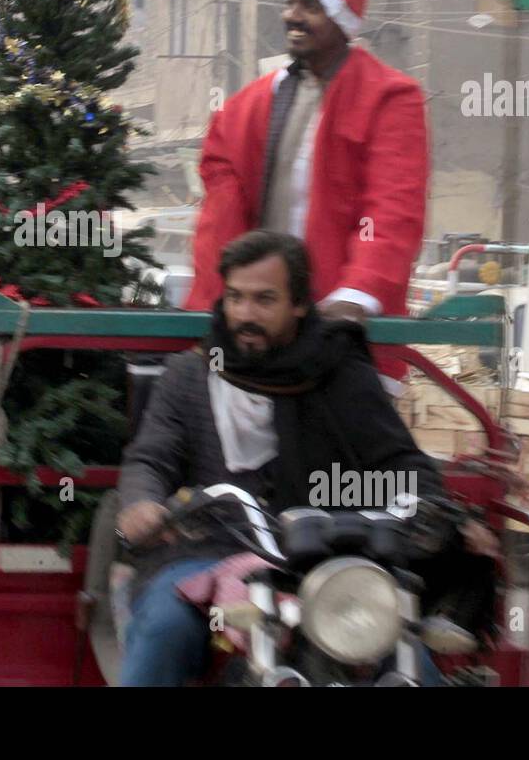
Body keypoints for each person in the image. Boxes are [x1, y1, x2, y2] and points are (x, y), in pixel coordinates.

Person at [116, 231, 494, 686]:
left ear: (298, 305)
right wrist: (142, 502)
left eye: (264, 300)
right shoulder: (192, 374)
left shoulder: (339, 374)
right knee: (164, 629)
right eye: (235, 298)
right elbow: (151, 457)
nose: (245, 314)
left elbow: (398, 463)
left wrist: (442, 510)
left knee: (408, 660)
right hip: (209, 552)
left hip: (330, 557)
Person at [186, 0, 429, 389]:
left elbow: (392, 211)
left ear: (342, 20)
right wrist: (218, 306)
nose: (292, 17)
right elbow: (218, 220)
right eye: (290, 2)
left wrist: (355, 296)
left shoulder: (390, 98)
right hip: (255, 331)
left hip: (341, 336)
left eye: (310, 7)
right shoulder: (243, 110)